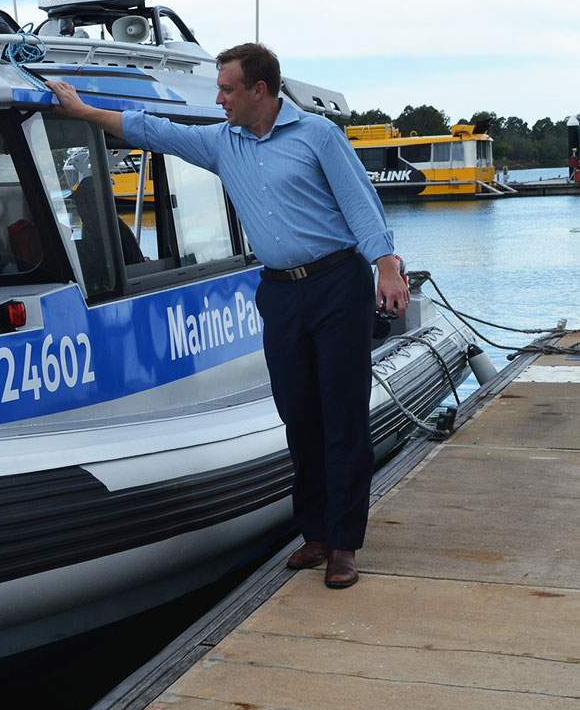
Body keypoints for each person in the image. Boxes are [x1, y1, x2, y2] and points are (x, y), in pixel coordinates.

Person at [47, 43, 408, 590]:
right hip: (281, 293)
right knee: (298, 414)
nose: (219, 99)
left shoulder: (317, 136)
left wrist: (387, 266)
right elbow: (152, 130)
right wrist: (81, 111)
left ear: (259, 90)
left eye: (227, 89)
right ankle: (313, 533)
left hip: (337, 284)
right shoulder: (223, 143)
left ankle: (343, 544)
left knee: (342, 415)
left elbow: (361, 205)